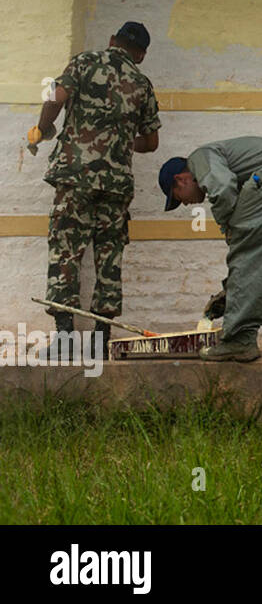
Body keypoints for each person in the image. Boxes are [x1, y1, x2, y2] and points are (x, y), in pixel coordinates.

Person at [26, 21, 160, 355]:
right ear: (141, 55)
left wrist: (43, 127)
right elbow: (151, 142)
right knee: (109, 256)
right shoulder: (142, 84)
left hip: (75, 178)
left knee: (66, 251)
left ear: (113, 40)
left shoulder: (85, 62)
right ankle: (101, 339)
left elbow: (55, 96)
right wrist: (121, 143)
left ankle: (65, 338)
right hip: (116, 186)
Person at [158, 136, 262, 362]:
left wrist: (231, 231)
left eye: (178, 198)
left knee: (248, 257)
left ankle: (239, 339)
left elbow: (222, 189)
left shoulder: (200, 158)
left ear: (180, 180)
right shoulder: (228, 160)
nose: (186, 204)